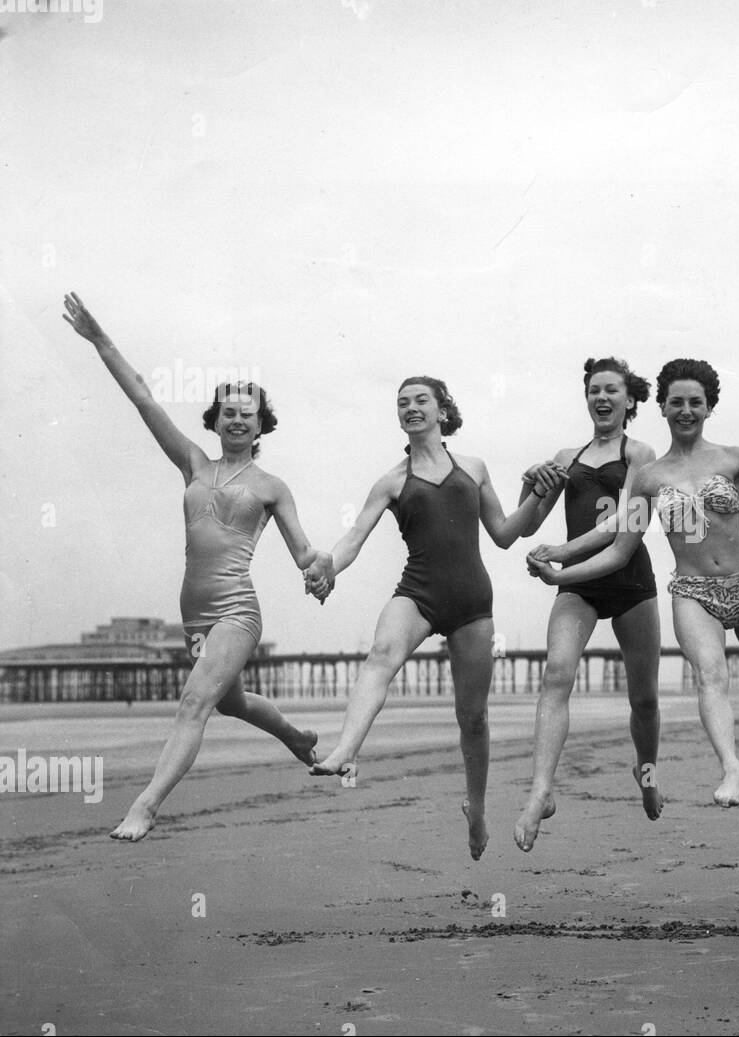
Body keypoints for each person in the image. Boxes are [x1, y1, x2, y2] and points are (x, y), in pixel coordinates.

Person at [62, 292, 329, 842]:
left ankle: (146, 806)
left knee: (194, 703)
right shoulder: (193, 465)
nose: (236, 419)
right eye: (227, 411)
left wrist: (319, 568)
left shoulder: (271, 487)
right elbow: (143, 400)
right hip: (195, 618)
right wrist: (100, 339)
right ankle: (298, 740)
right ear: (215, 420)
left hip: (237, 610)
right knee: (229, 701)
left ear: (261, 427)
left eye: (246, 414)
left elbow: (304, 552)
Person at [528, 358, 739, 809]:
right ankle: (732, 767)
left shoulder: (735, 459)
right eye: (676, 403)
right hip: (694, 595)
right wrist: (561, 572)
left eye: (695, 402)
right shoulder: (649, 479)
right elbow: (618, 550)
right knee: (710, 676)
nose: (686, 410)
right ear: (664, 409)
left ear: (709, 407)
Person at [304, 376, 561, 860]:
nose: (411, 408)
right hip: (418, 592)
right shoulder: (392, 480)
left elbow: (506, 533)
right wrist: (328, 569)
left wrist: (542, 495)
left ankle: (478, 809)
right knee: (380, 655)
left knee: (474, 717)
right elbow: (353, 538)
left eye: (421, 400)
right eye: (402, 403)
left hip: (471, 602)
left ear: (443, 409)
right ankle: (345, 750)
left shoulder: (474, 467)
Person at [512, 358, 663, 852]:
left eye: (612, 390)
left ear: (630, 400)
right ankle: (540, 793)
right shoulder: (566, 455)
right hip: (577, 587)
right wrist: (530, 480)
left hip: (629, 582)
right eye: (594, 390)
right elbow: (528, 525)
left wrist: (560, 556)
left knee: (643, 700)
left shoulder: (642, 453)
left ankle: (646, 775)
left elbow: (623, 524)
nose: (602, 398)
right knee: (557, 674)